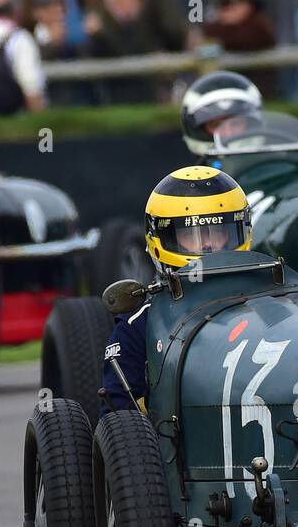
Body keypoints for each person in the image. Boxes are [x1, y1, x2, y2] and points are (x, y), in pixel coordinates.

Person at [102, 167, 253, 412]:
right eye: (191, 235)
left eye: (219, 232)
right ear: (161, 237)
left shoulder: (276, 303)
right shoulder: (141, 326)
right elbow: (119, 428)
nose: (208, 244)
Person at [88, 0, 188, 103]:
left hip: (142, 96)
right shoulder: (99, 28)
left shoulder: (135, 26)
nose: (139, 7)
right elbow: (119, 57)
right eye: (135, 1)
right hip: (113, 99)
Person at [203, 0, 277, 97]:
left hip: (259, 92)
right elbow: (206, 40)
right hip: (225, 93)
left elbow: (250, 40)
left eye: (238, 4)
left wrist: (228, 27)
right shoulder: (214, 29)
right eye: (227, 5)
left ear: (249, 5)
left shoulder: (259, 25)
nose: (232, 10)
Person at [180, 70, 265, 155]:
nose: (228, 133)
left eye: (236, 123)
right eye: (216, 125)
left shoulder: (274, 165)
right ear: (200, 131)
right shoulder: (186, 168)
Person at [21, 0, 108, 48]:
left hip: (90, 48)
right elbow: (26, 22)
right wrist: (47, 36)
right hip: (51, 51)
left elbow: (107, 14)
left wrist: (98, 24)